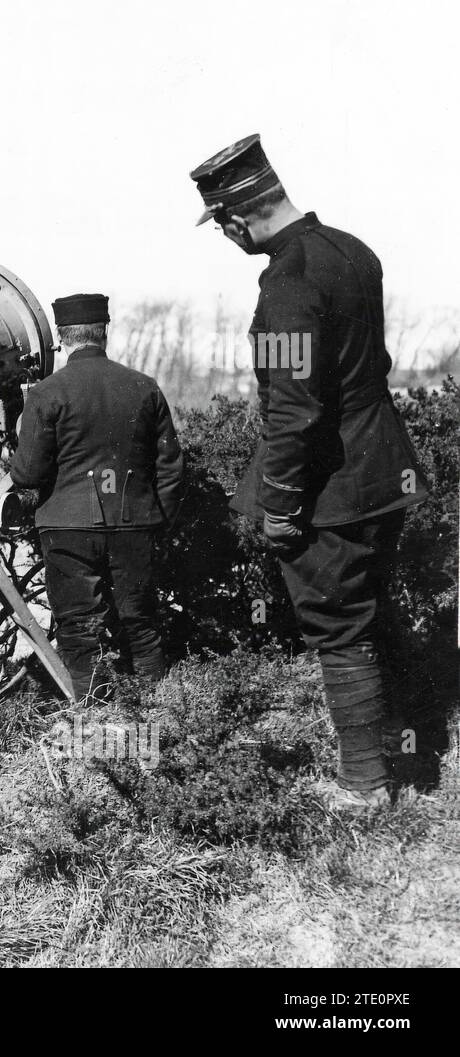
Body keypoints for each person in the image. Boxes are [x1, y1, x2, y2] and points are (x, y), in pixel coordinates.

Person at [190, 133, 429, 811]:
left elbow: (293, 411)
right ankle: (398, 749)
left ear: (236, 220)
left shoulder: (288, 284)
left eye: (224, 229)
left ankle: (365, 785)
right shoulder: (354, 251)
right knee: (369, 610)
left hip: (335, 485)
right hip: (386, 468)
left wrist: (281, 505)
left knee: (338, 623)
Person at [9, 293, 185, 701]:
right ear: (104, 331)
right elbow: (171, 467)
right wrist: (159, 519)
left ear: (61, 336)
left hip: (67, 527)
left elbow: (28, 474)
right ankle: (160, 713)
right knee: (140, 623)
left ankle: (94, 718)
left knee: (78, 627)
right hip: (134, 523)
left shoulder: (46, 393)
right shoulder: (145, 387)